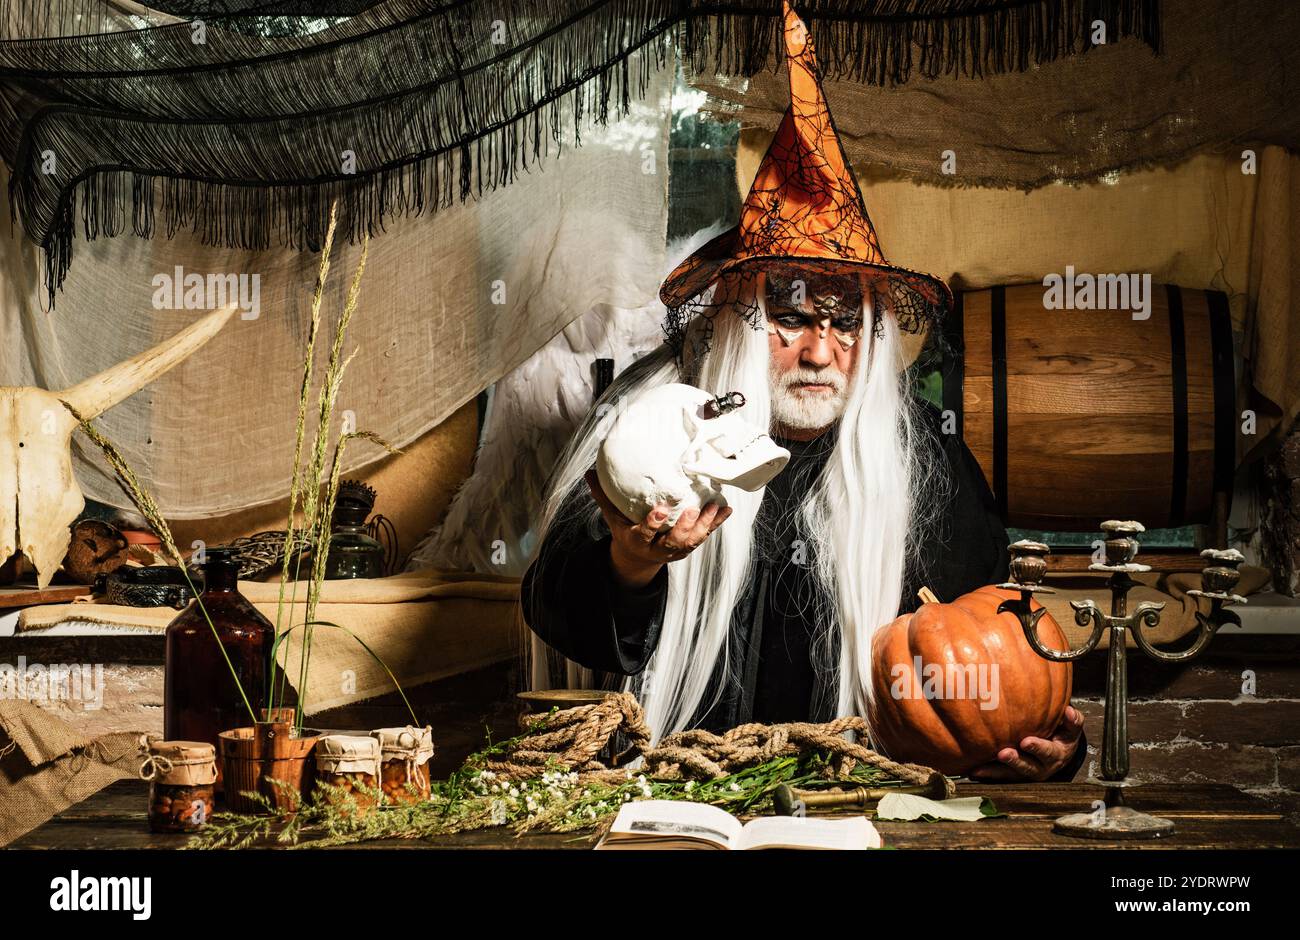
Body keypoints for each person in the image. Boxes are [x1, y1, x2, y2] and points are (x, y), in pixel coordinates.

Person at [521, 1, 1085, 782]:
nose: (821, 351)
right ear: (741, 320)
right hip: (676, 796)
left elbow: (988, 650)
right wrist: (630, 560)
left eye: (847, 324)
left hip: (866, 807)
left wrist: (1043, 742)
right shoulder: (652, 428)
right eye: (789, 317)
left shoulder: (928, 462)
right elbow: (557, 613)